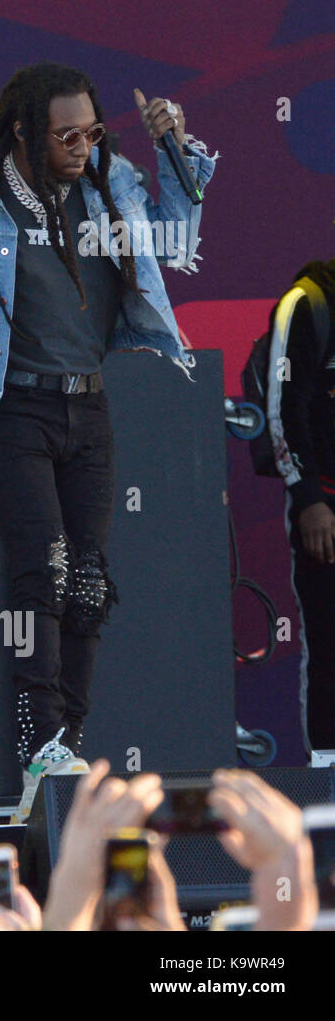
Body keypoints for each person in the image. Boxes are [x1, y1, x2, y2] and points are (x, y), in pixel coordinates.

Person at [0, 62, 217, 822]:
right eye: (66, 134)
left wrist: (173, 146)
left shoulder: (111, 181)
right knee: (40, 564)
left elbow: (178, 236)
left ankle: (65, 748)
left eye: (92, 131)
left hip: (87, 401)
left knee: (88, 578)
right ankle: (38, 741)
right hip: (4, 405)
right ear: (24, 131)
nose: (81, 145)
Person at [263, 257, 335, 760]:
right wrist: (308, 497)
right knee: (331, 646)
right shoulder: (307, 303)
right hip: (327, 511)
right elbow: (282, 406)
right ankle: (330, 766)